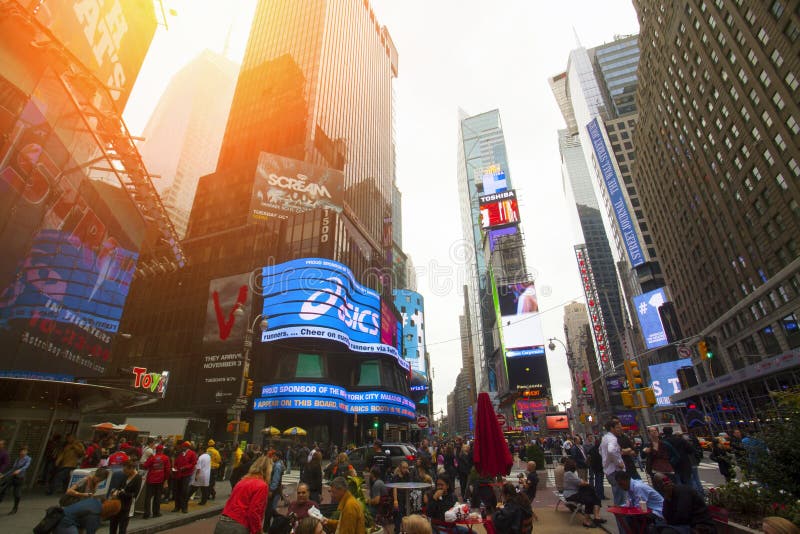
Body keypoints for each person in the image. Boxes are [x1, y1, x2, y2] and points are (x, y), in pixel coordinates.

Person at [215, 455, 272, 534]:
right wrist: (258, 531)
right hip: (238, 525)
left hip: (223, 522)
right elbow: (254, 512)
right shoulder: (261, 485)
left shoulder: (243, 480)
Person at [562, 458, 605, 528]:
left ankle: (597, 517)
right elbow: (581, 482)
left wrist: (584, 482)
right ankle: (586, 521)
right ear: (571, 466)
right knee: (590, 499)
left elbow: (580, 481)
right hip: (570, 495)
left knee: (595, 497)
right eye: (574, 464)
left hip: (575, 493)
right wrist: (584, 482)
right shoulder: (569, 474)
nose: (576, 466)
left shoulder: (571, 473)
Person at [109, 461, 143, 534]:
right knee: (112, 525)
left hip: (127, 506)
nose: (124, 472)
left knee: (122, 527)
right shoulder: (125, 475)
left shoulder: (138, 478)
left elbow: (134, 495)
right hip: (117, 504)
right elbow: (119, 486)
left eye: (125, 470)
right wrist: (114, 491)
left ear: (132, 469)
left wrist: (122, 493)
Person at [55, 497, 121, 534]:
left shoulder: (94, 500)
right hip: (65, 524)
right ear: (110, 512)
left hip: (58, 517)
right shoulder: (95, 515)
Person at [600, 419, 627, 506]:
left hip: (609, 470)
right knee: (621, 500)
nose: (620, 429)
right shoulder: (612, 439)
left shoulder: (605, 438)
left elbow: (600, 451)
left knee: (619, 497)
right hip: (615, 471)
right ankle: (622, 518)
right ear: (612, 428)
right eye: (618, 427)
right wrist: (618, 462)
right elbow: (611, 450)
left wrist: (607, 459)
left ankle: (620, 518)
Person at [0, 444, 30, 514]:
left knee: (17, 494)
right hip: (12, 477)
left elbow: (26, 466)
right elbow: (13, 469)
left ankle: (15, 507)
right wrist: (4, 475)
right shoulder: (18, 459)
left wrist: (20, 470)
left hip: (20, 479)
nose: (23, 452)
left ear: (27, 452)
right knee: (2, 489)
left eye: (24, 451)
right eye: (22, 451)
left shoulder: (28, 459)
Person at [142, 444, 170, 519]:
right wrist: (166, 479)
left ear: (156, 450)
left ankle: (146, 514)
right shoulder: (165, 458)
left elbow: (145, 466)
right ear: (162, 450)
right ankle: (156, 512)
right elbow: (167, 470)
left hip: (150, 480)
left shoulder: (152, 458)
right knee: (157, 497)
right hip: (160, 480)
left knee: (148, 497)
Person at [173, 441, 197, 513]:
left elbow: (193, 463)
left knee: (184, 491)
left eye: (183, 447)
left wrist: (185, 467)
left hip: (186, 475)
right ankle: (177, 507)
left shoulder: (192, 453)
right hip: (178, 474)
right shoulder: (180, 453)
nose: (182, 448)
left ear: (186, 447)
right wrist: (175, 468)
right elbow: (176, 462)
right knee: (177, 491)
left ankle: (184, 507)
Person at [264, 450, 285, 531]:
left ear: (277, 457)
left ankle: (269, 527)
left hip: (274, 491)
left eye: (274, 456)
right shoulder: (277, 464)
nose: (273, 457)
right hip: (276, 490)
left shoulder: (277, 466)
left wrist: (271, 490)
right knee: (271, 509)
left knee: (270, 510)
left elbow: (275, 479)